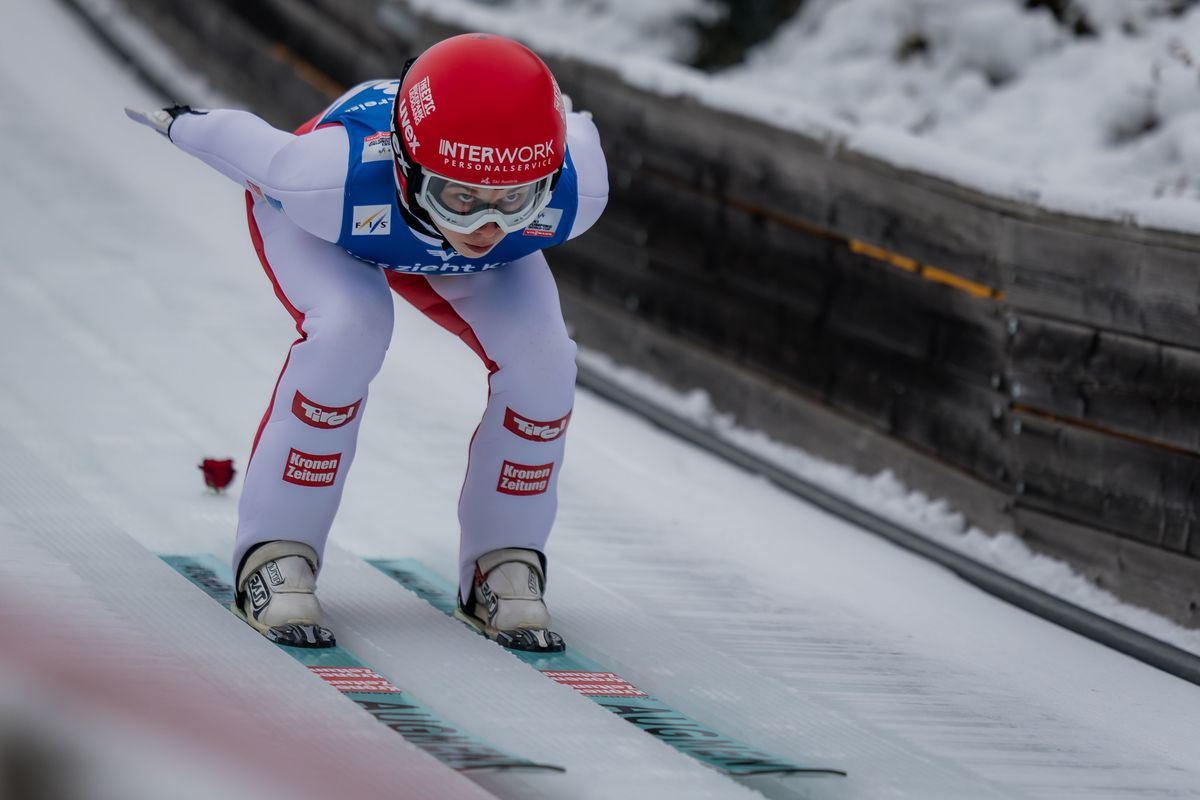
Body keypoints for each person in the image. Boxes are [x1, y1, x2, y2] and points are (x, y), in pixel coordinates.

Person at [126, 33, 609, 653]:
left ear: (545, 179)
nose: (485, 226)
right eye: (461, 197)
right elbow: (240, 143)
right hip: (342, 228)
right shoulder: (322, 178)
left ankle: (504, 560)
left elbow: (574, 124)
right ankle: (278, 548)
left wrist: (469, 202)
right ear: (408, 170)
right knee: (350, 331)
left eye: (513, 200)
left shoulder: (575, 186)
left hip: (391, 212)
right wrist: (176, 124)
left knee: (546, 362)